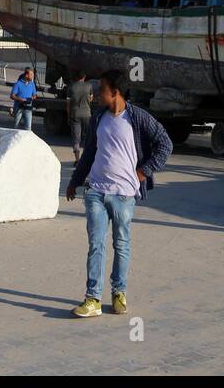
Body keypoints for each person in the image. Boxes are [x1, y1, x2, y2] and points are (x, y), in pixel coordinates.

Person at [65, 69, 174, 318]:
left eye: (101, 89)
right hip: (96, 191)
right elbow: (90, 152)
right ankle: (92, 298)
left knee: (121, 245)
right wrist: (75, 181)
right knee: (96, 244)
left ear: (115, 92)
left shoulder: (137, 118)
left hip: (124, 195)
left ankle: (118, 293)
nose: (97, 94)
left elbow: (165, 144)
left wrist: (142, 172)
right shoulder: (98, 118)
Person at [69, 71, 94, 163]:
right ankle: (86, 158)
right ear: (85, 76)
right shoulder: (89, 86)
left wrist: (69, 115)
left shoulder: (72, 86)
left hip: (75, 114)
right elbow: (91, 98)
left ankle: (77, 159)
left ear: (76, 77)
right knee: (88, 136)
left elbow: (68, 103)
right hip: (87, 113)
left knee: (76, 138)